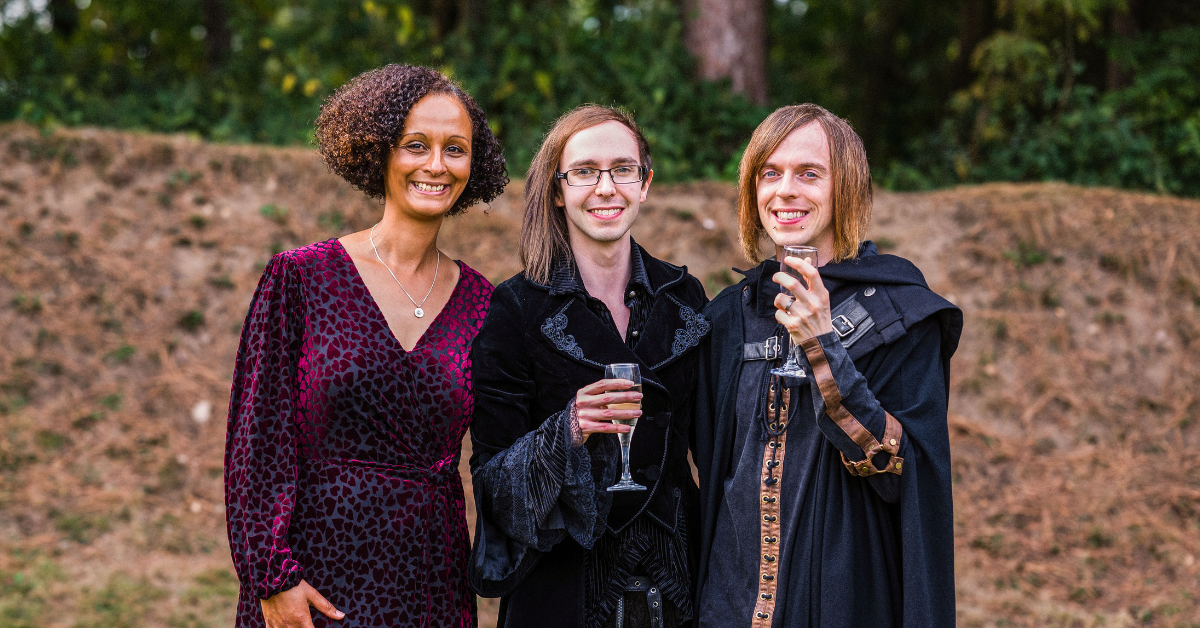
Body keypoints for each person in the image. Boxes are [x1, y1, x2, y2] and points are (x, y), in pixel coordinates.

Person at [224, 64, 508, 628]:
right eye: (416, 145)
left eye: (455, 149)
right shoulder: (302, 277)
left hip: (430, 583)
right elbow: (256, 444)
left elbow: (503, 452)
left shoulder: (484, 302)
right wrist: (271, 578)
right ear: (380, 151)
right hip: (312, 580)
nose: (436, 165)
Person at [692, 104, 963, 627]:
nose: (785, 190)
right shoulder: (729, 317)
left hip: (841, 604)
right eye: (770, 173)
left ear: (847, 189)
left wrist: (823, 344)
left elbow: (901, 477)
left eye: (809, 174)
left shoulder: (899, 315)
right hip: (727, 608)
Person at [468, 105, 709, 628]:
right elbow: (491, 484)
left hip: (678, 588)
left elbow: (717, 453)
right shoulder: (516, 308)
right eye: (584, 172)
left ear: (645, 183)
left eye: (622, 169)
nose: (606, 188)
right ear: (558, 191)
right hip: (561, 594)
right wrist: (567, 430)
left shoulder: (684, 296)